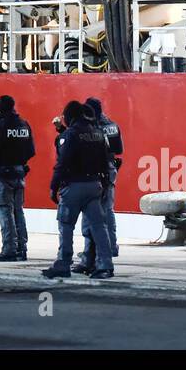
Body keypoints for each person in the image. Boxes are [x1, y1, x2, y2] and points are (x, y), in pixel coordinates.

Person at [42, 101, 113, 280]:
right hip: (94, 185)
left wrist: (53, 186)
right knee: (99, 226)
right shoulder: (98, 133)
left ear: (70, 117)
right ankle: (105, 265)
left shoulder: (70, 134)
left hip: (73, 186)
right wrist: (104, 184)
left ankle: (63, 263)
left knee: (66, 226)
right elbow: (106, 160)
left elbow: (62, 162)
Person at [0, 94, 35, 261]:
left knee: (5, 211)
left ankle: (9, 249)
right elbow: (31, 150)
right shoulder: (24, 125)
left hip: (3, 175)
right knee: (18, 211)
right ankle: (21, 248)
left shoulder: (1, 126)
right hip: (19, 173)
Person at [74, 96, 123, 273]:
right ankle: (111, 245)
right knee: (108, 209)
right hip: (111, 169)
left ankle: (90, 255)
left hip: (95, 172)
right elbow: (119, 149)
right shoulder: (112, 125)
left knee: (91, 213)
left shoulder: (91, 127)